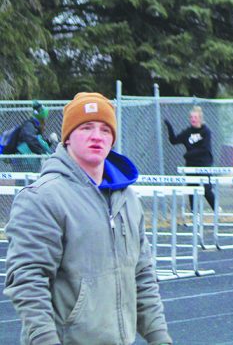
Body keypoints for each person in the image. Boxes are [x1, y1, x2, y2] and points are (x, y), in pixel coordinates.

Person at [4, 91, 173, 344]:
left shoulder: (127, 199)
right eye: (86, 127)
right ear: (68, 137)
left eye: (105, 129)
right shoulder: (42, 198)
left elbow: (142, 275)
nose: (97, 136)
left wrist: (160, 337)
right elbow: (28, 282)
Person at [164, 105, 216, 212]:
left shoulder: (206, 131)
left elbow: (205, 149)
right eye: (191, 117)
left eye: (195, 117)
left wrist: (189, 154)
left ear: (200, 119)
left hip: (203, 164)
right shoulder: (187, 132)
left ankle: (216, 210)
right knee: (192, 188)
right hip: (191, 165)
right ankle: (194, 212)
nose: (193, 119)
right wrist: (169, 126)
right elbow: (174, 140)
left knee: (206, 189)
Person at [2, 102, 54, 172]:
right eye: (43, 120)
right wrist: (41, 153)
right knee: (22, 181)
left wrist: (49, 141)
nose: (44, 123)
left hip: (25, 161)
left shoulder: (34, 128)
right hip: (21, 160)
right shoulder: (29, 126)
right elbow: (31, 141)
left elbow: (39, 142)